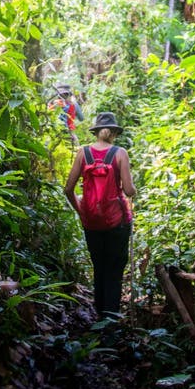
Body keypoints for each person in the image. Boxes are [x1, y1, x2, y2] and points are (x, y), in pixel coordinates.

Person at [64, 111, 136, 317]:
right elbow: (129, 191)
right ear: (114, 132)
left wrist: (81, 210)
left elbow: (68, 189)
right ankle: (111, 319)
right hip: (117, 222)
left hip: (91, 222)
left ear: (96, 132)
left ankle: (99, 316)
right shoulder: (120, 153)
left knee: (99, 267)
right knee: (114, 270)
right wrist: (134, 189)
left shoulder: (83, 153)